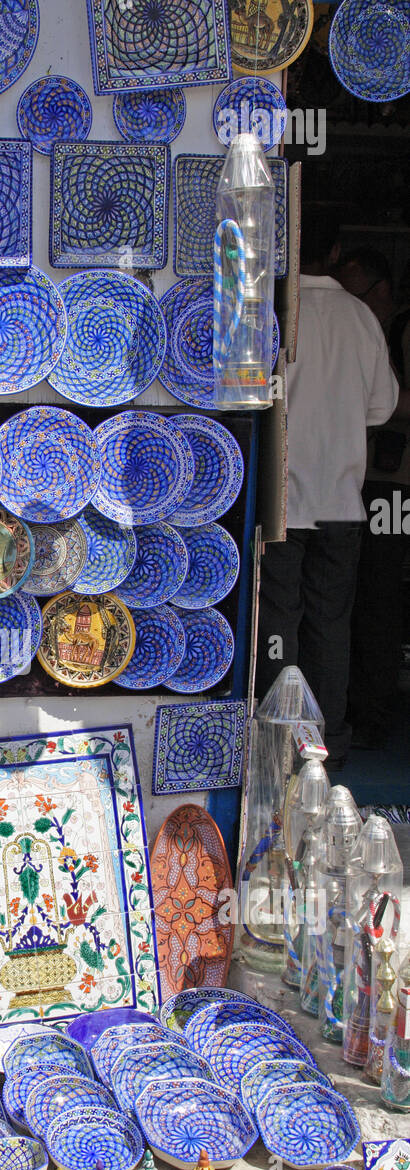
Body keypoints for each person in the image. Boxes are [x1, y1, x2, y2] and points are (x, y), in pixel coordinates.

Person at [255, 212, 399, 769]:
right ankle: (327, 741)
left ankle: (281, 740)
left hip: (284, 497)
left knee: (280, 621)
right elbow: (382, 406)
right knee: (330, 625)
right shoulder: (361, 315)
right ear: (336, 253)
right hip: (342, 500)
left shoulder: (275, 313)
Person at [337, 248, 410, 748]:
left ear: (380, 288)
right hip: (365, 481)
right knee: (358, 597)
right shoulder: (374, 328)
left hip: (395, 483)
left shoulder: (401, 327)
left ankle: (374, 715)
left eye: (357, 292)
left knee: (379, 597)